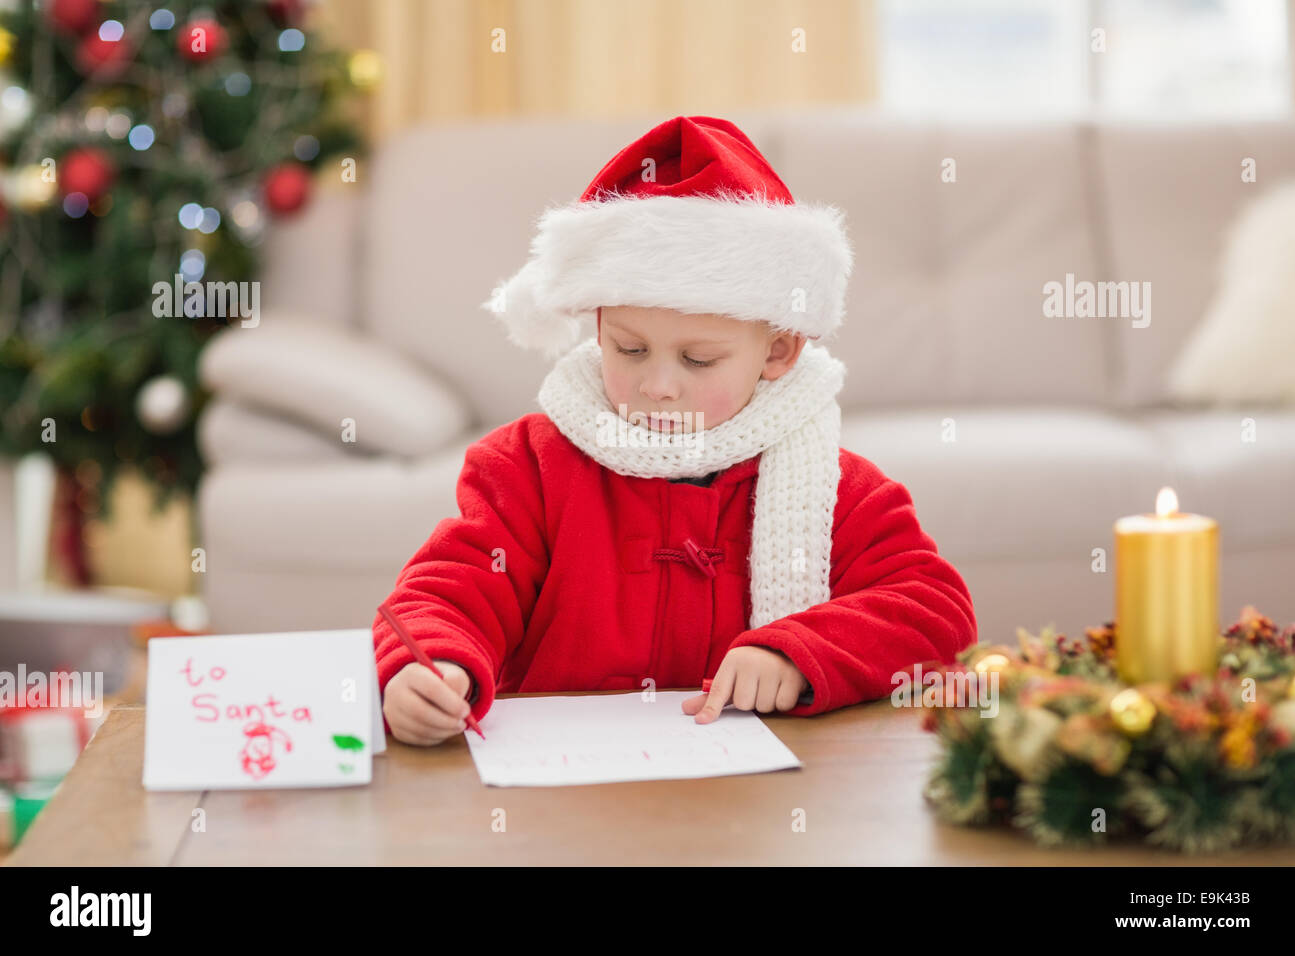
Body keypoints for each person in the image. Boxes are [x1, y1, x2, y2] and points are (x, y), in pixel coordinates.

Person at [375, 115, 977, 747]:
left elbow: (935, 611)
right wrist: (432, 665)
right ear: (599, 326)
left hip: (756, 804)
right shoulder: (527, 466)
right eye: (629, 349)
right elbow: (450, 589)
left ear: (778, 351)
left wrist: (796, 654)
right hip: (564, 794)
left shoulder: (836, 487)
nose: (658, 385)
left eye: (698, 360)